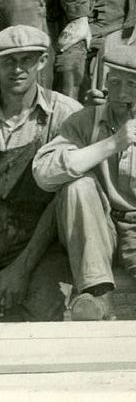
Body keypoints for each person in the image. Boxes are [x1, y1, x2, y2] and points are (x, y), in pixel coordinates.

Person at [33, 41, 136, 320]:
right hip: (96, 231)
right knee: (77, 185)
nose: (120, 92)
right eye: (115, 81)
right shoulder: (86, 120)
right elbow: (43, 173)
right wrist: (112, 143)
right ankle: (97, 296)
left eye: (132, 85)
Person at [0, 26, 79, 321]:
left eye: (27, 60)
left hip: (41, 247)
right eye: (8, 61)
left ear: (43, 61)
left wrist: (20, 269)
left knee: (40, 311)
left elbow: (62, 201)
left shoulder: (66, 115)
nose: (18, 69)